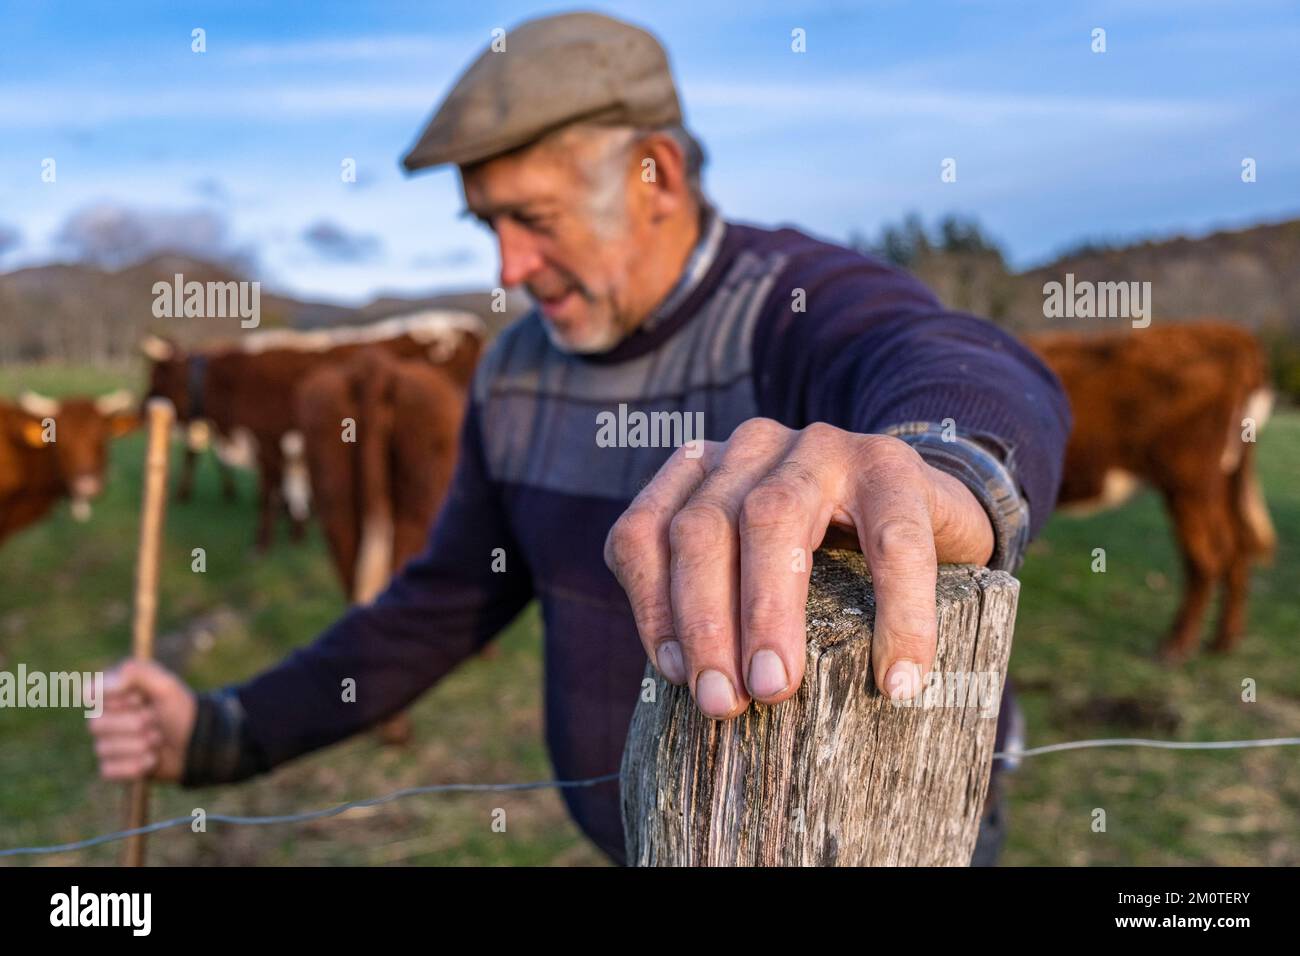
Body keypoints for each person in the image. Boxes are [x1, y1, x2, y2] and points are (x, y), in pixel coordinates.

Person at [88, 11, 1069, 865]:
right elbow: (438, 605)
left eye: (535, 218)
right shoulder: (516, 373)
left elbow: (963, 361)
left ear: (657, 174)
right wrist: (223, 731)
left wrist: (931, 467)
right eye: (487, 226)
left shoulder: (793, 305)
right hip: (646, 840)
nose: (512, 266)